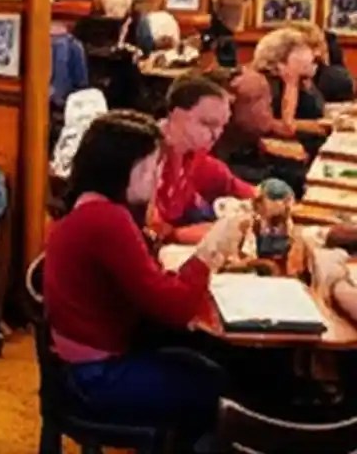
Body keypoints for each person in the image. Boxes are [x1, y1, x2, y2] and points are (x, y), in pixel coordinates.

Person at [44, 110, 250, 448]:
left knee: (209, 359)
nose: (158, 178)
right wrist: (209, 251)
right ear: (126, 169)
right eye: (153, 167)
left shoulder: (90, 206)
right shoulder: (107, 220)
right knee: (219, 384)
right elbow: (175, 307)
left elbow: (151, 286)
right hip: (94, 379)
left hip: (78, 366)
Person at [152, 75, 256, 245]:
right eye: (207, 124)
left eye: (222, 126)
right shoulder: (146, 156)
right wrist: (179, 235)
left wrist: (267, 197)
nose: (216, 135)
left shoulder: (194, 154)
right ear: (176, 114)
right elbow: (150, 228)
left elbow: (231, 184)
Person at [218, 28, 323, 192]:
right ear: (282, 57)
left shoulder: (273, 81)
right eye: (303, 54)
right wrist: (292, 81)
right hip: (236, 164)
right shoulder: (255, 83)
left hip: (252, 155)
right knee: (303, 176)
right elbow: (275, 128)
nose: (312, 60)